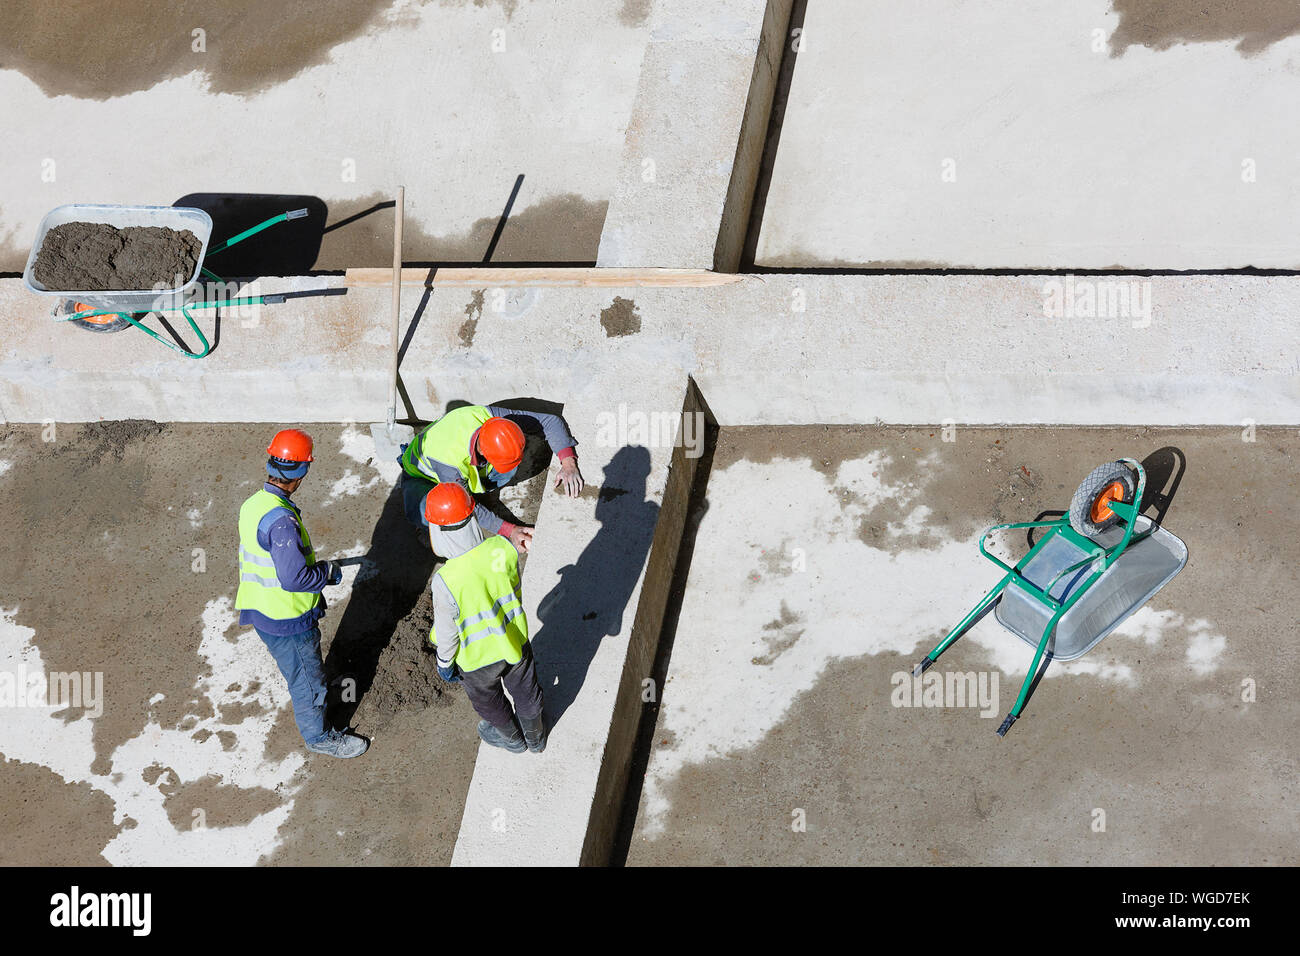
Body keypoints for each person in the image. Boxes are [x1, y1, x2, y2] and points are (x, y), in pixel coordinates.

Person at [234, 428, 367, 759]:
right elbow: (294, 578)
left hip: (262, 608)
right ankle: (319, 738)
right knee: (308, 684)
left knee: (305, 672)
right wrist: (327, 573)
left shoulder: (254, 503)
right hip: (287, 619)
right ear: (304, 470)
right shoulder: (281, 521)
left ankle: (316, 702)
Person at [423, 483, 547, 754]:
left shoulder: (445, 581)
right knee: (526, 692)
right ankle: (536, 738)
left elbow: (447, 631)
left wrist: (445, 663)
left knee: (489, 702)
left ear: (437, 531)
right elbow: (512, 590)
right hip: (513, 641)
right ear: (473, 518)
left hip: (475, 660)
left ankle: (512, 740)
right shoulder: (502, 549)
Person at [398, 403, 583, 555]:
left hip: (461, 464)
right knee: (430, 512)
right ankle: (426, 530)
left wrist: (568, 464)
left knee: (506, 468)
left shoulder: (491, 417)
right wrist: (510, 531)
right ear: (483, 452)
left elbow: (550, 421)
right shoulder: (448, 460)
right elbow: (466, 505)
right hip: (421, 477)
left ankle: (477, 483)